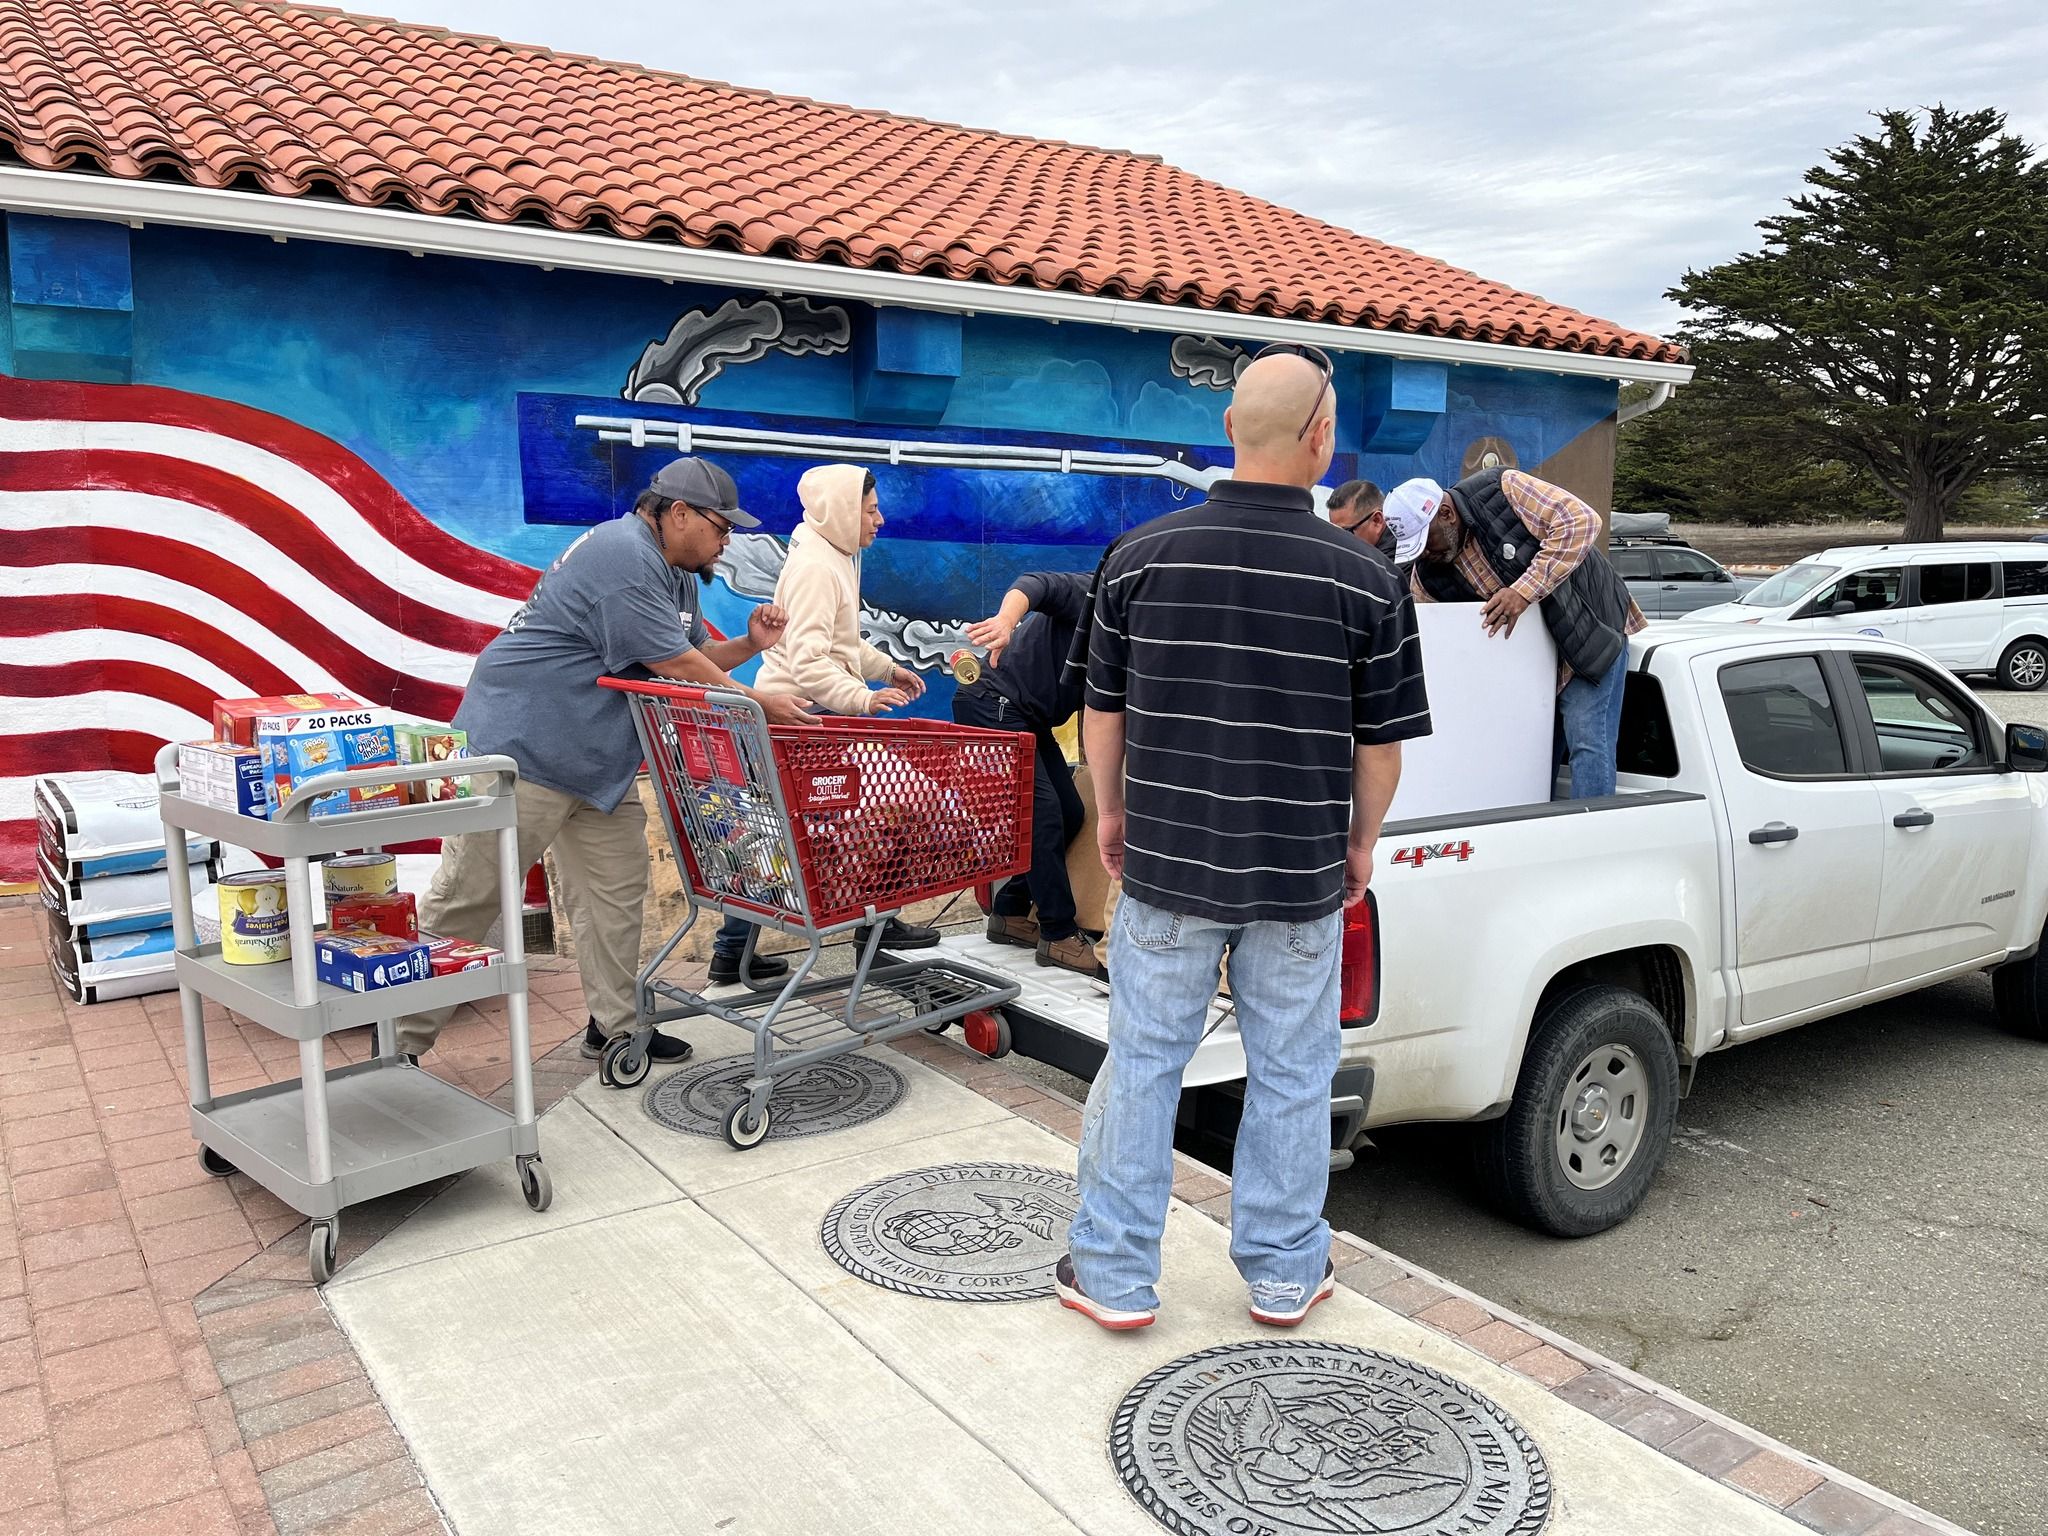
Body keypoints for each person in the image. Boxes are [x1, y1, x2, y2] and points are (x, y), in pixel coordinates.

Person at [1056, 346, 1431, 1332]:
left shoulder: (1137, 557)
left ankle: (1112, 1276)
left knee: (1141, 1061)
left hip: (1167, 864)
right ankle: (1279, 1273)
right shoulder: (1366, 577)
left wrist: (1111, 812)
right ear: (1321, 438)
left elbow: (1103, 712)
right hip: (1299, 872)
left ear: (1229, 429)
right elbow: (1380, 751)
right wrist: (1358, 845)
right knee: (1293, 1071)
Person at [397, 458, 815, 1064]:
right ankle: (400, 1047)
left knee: (614, 896)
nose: (728, 541)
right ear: (677, 514)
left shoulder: (676, 575)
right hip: (523, 749)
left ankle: (615, 1028)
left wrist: (751, 645)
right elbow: (674, 667)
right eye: (721, 527)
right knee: (469, 897)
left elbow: (694, 656)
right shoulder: (623, 554)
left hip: (597, 764)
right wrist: (760, 703)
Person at [753, 463, 939, 951]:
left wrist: (885, 669)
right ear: (841, 511)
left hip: (811, 717)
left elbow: (841, 641)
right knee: (902, 804)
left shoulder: (832, 552)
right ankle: (877, 926)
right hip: (808, 719)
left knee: (799, 836)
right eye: (872, 511)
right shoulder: (817, 567)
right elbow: (809, 661)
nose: (879, 521)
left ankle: (733, 950)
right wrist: (865, 699)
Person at [1382, 469, 1645, 799]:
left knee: (1588, 740)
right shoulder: (1429, 575)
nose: (1424, 554)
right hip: (1531, 663)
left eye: (1426, 542)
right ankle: (1534, 838)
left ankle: (1590, 839)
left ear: (1446, 514)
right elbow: (1427, 632)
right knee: (1530, 755)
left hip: (1590, 631)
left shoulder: (1503, 489)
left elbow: (1582, 521)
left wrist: (1522, 592)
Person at [957, 570, 1098, 977]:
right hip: (993, 702)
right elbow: (1034, 584)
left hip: (1029, 716)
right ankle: (1057, 934)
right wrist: (1004, 622)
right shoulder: (1093, 594)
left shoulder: (1136, 632)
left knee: (1071, 812)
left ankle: (1010, 909)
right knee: (1042, 814)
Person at [1328, 478, 1394, 563]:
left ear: (1377, 521)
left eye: (1346, 532)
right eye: (1333, 531)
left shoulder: (1393, 569)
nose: (1338, 542)